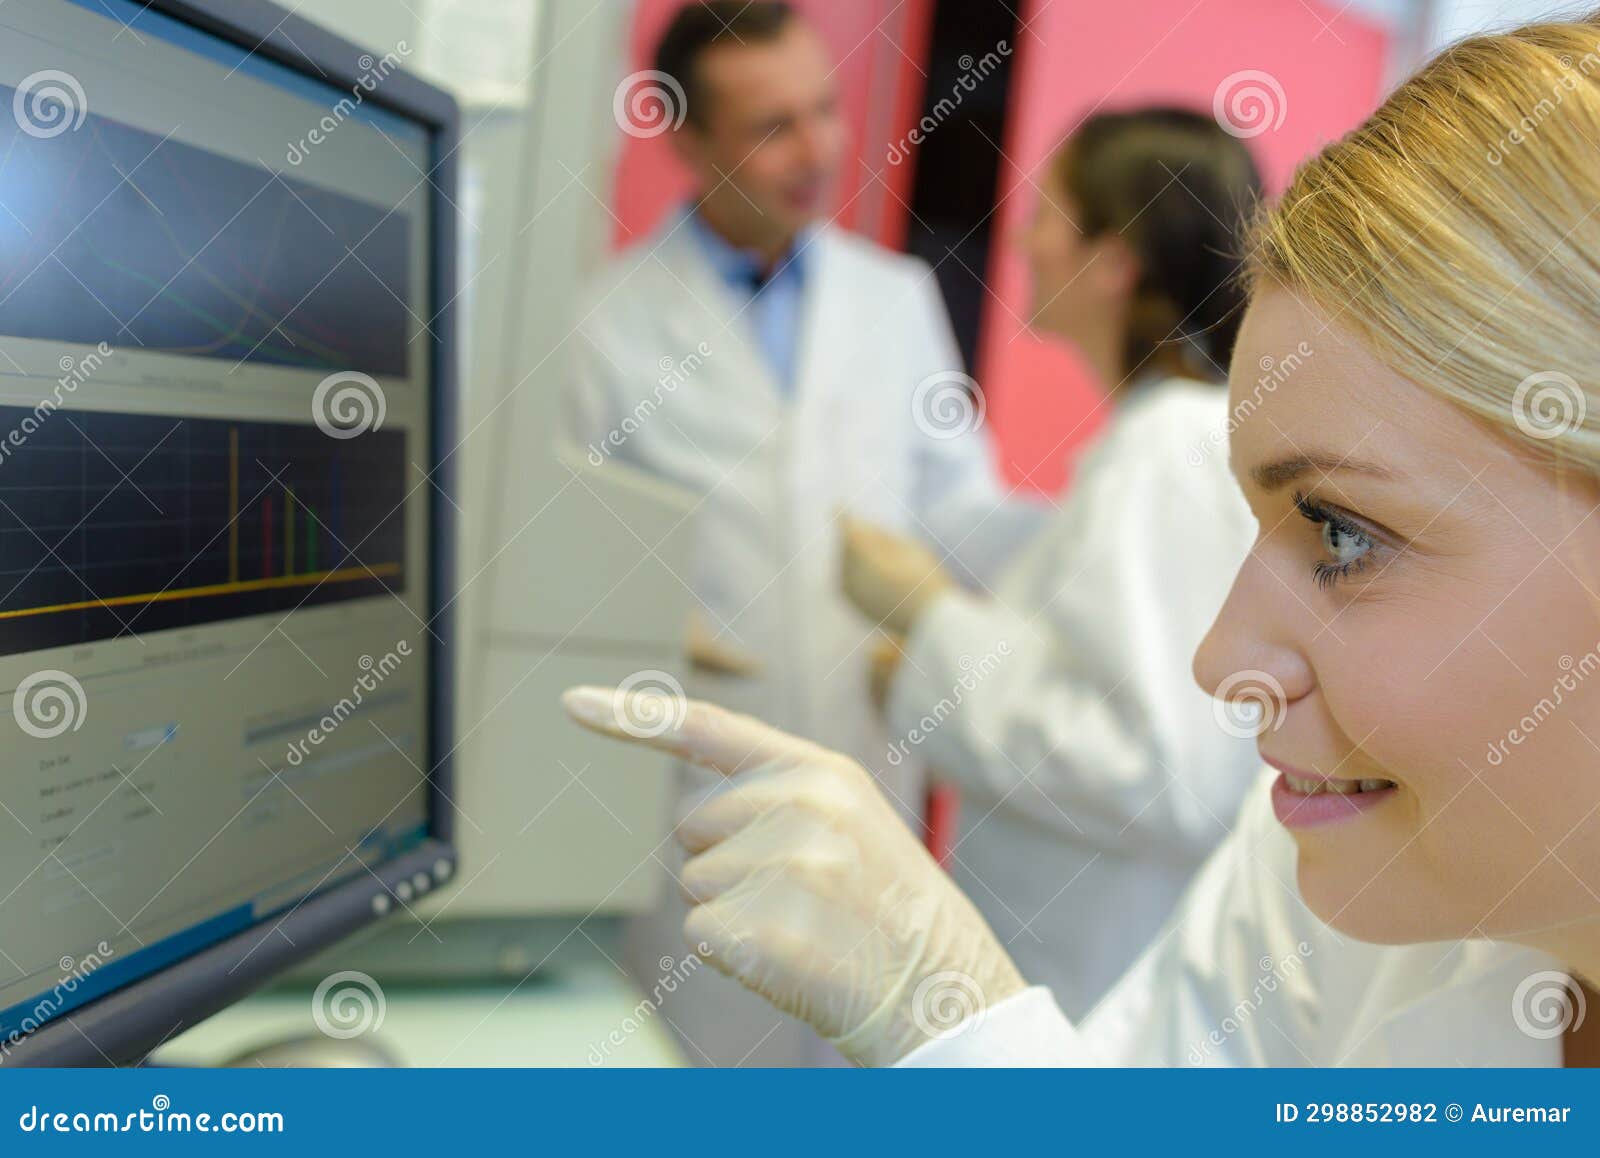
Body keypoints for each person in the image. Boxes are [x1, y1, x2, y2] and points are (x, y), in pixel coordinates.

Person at [562, 13, 1600, 1066]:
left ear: (1114, 258)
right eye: (767, 125)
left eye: (1343, 535)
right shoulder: (1334, 905)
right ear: (686, 138)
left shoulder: (931, 325)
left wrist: (928, 628)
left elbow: (990, 556)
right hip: (715, 783)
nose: (1221, 659)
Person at [559, 1, 1041, 1065]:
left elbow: (958, 509)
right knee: (700, 1076)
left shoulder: (895, 300)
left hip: (866, 768)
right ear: (687, 138)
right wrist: (644, 622)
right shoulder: (602, 325)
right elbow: (565, 558)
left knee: (851, 1069)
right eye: (771, 127)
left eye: (823, 110)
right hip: (694, 794)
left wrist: (1077, 537)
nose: (817, 150)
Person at [838, 109, 1266, 1018]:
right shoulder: (1155, 444)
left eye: (1047, 214)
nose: (1023, 239)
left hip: (1097, 989)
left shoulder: (1169, 451)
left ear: (1114, 260)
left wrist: (929, 633)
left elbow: (1164, 773)